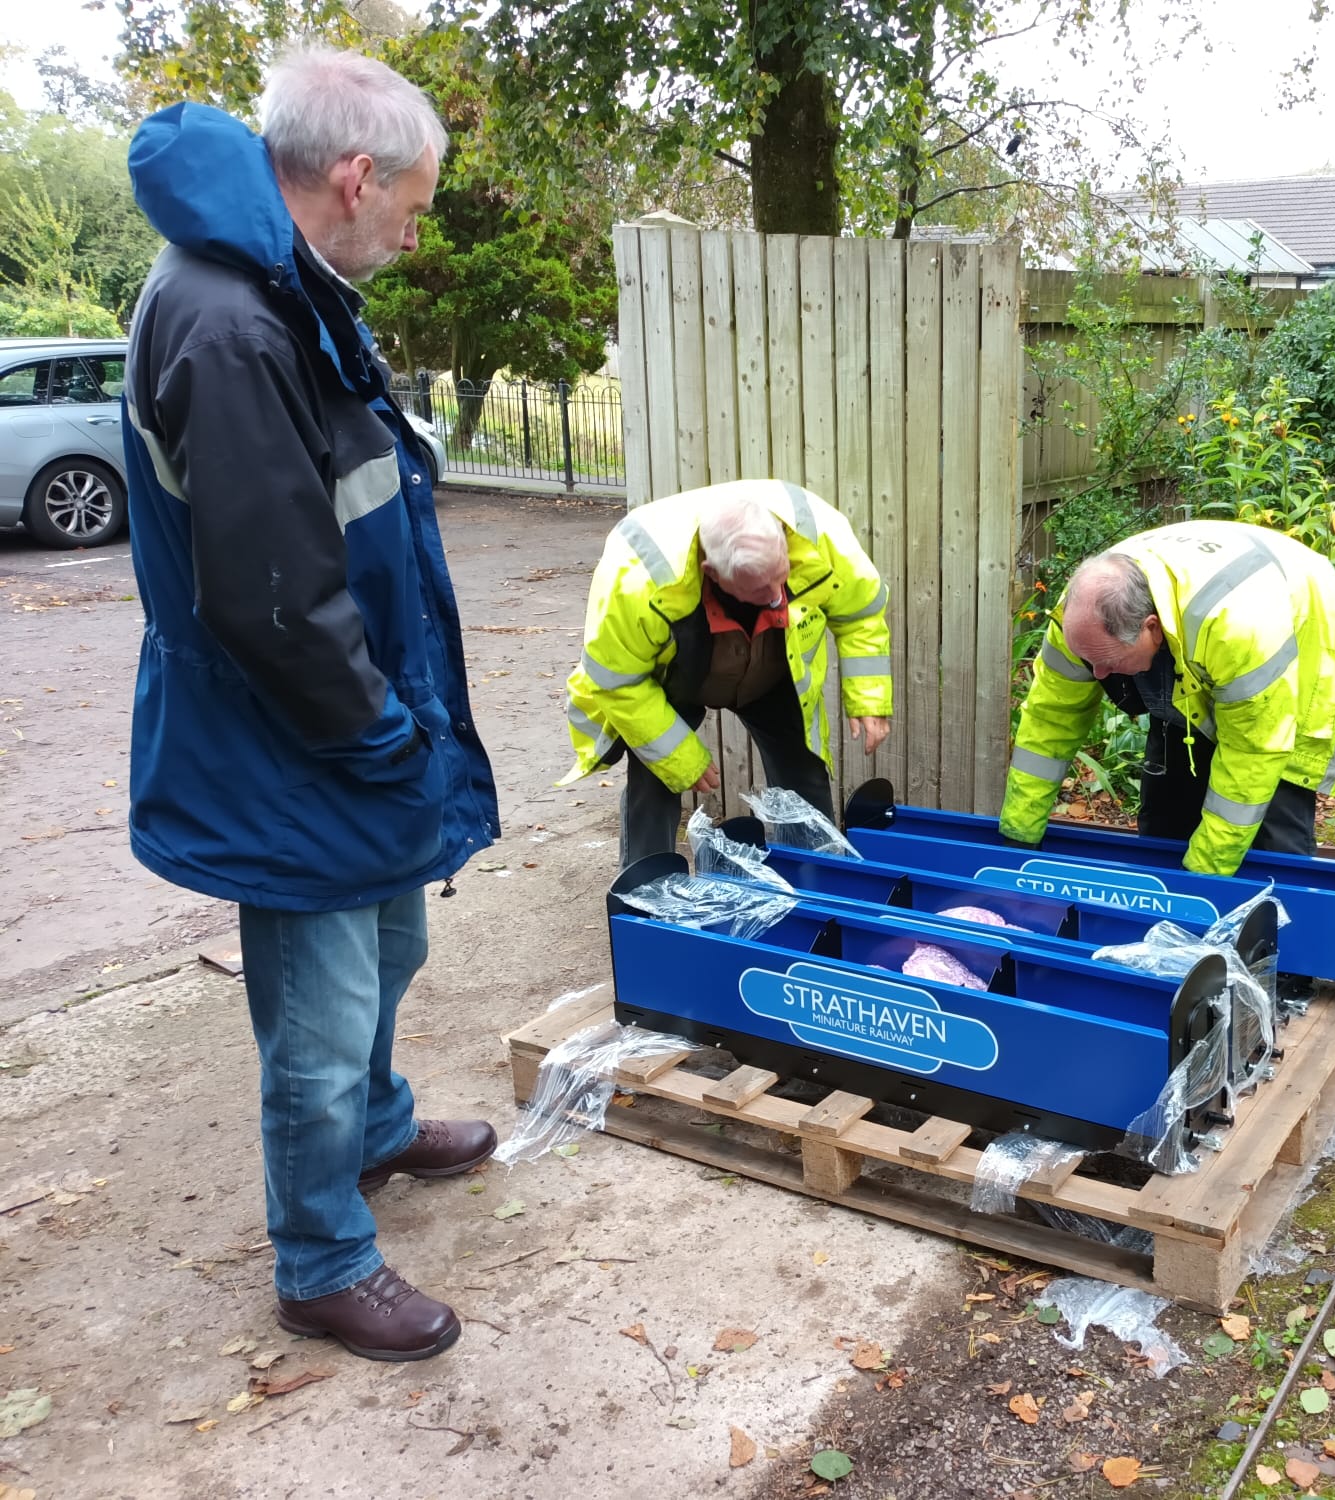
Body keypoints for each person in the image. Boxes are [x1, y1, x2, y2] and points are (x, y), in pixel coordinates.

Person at [122, 50, 500, 1362]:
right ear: (356, 177)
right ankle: (321, 1257)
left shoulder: (290, 291)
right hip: (299, 745)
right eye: (416, 201)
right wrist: (386, 738)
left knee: (390, 955)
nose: (416, 225)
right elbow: (275, 602)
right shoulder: (232, 324)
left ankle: (381, 1129)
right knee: (319, 1017)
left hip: (348, 735)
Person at [1000, 520, 1335, 876]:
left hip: (1305, 642)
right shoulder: (1081, 618)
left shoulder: (1239, 628)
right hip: (1194, 629)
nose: (1097, 675)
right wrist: (1016, 841)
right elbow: (1050, 720)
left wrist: (1201, 883)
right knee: (1165, 821)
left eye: (1107, 662)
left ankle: (1276, 934)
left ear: (1152, 627)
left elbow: (1252, 753)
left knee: (1269, 833)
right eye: (1089, 661)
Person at [562, 480, 894, 863]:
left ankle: (816, 877)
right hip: (676, 678)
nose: (775, 596)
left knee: (803, 770)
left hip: (771, 668)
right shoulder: (636, 580)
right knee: (655, 773)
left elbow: (861, 615)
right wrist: (681, 758)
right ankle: (644, 895)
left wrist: (869, 697)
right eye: (757, 591)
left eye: (781, 574)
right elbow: (618, 680)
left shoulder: (820, 535)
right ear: (712, 573)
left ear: (784, 541)